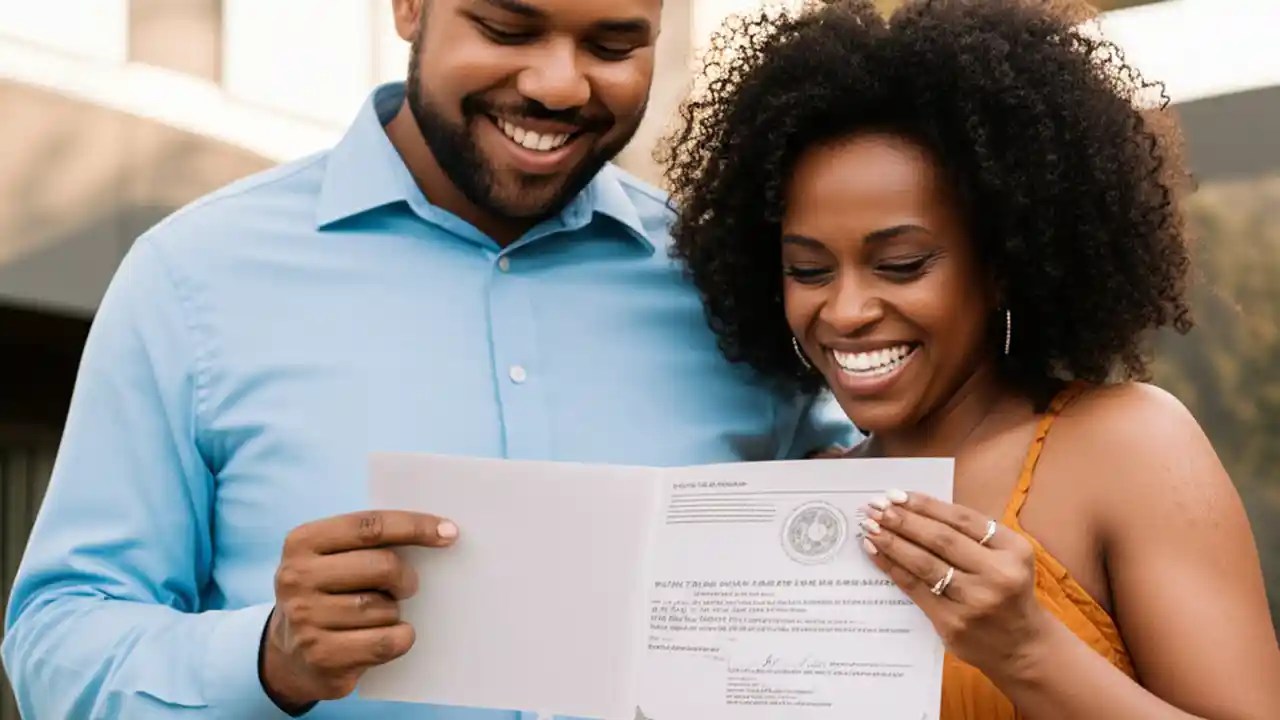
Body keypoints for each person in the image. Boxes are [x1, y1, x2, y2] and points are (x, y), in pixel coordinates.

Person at [1, 1, 852, 718]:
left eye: (613, 44)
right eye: (507, 27)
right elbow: (55, 639)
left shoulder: (734, 280)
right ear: (409, 6)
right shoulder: (191, 277)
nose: (559, 83)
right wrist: (269, 656)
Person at [662, 1, 1280, 718]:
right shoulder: (797, 496)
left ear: (1003, 266)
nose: (846, 310)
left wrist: (1027, 651)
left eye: (900, 264)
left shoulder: (1125, 446)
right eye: (808, 270)